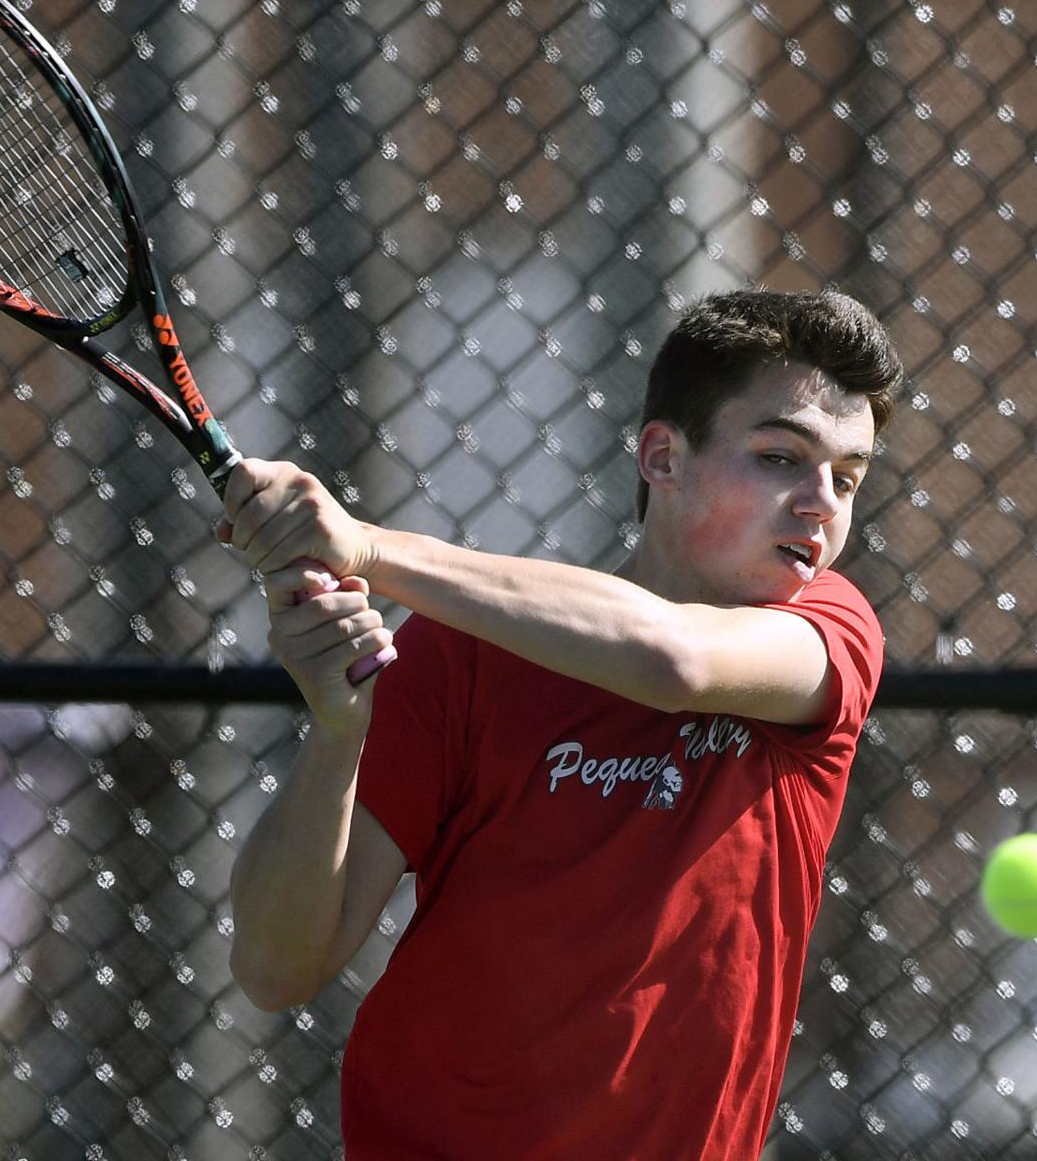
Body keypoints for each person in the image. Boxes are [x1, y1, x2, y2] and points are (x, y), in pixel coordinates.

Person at [222, 288, 902, 1159]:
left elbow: (673, 661)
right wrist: (337, 731)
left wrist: (367, 547)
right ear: (663, 456)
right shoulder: (465, 650)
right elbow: (276, 970)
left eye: (847, 478)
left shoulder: (830, 630)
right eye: (780, 458)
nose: (821, 504)